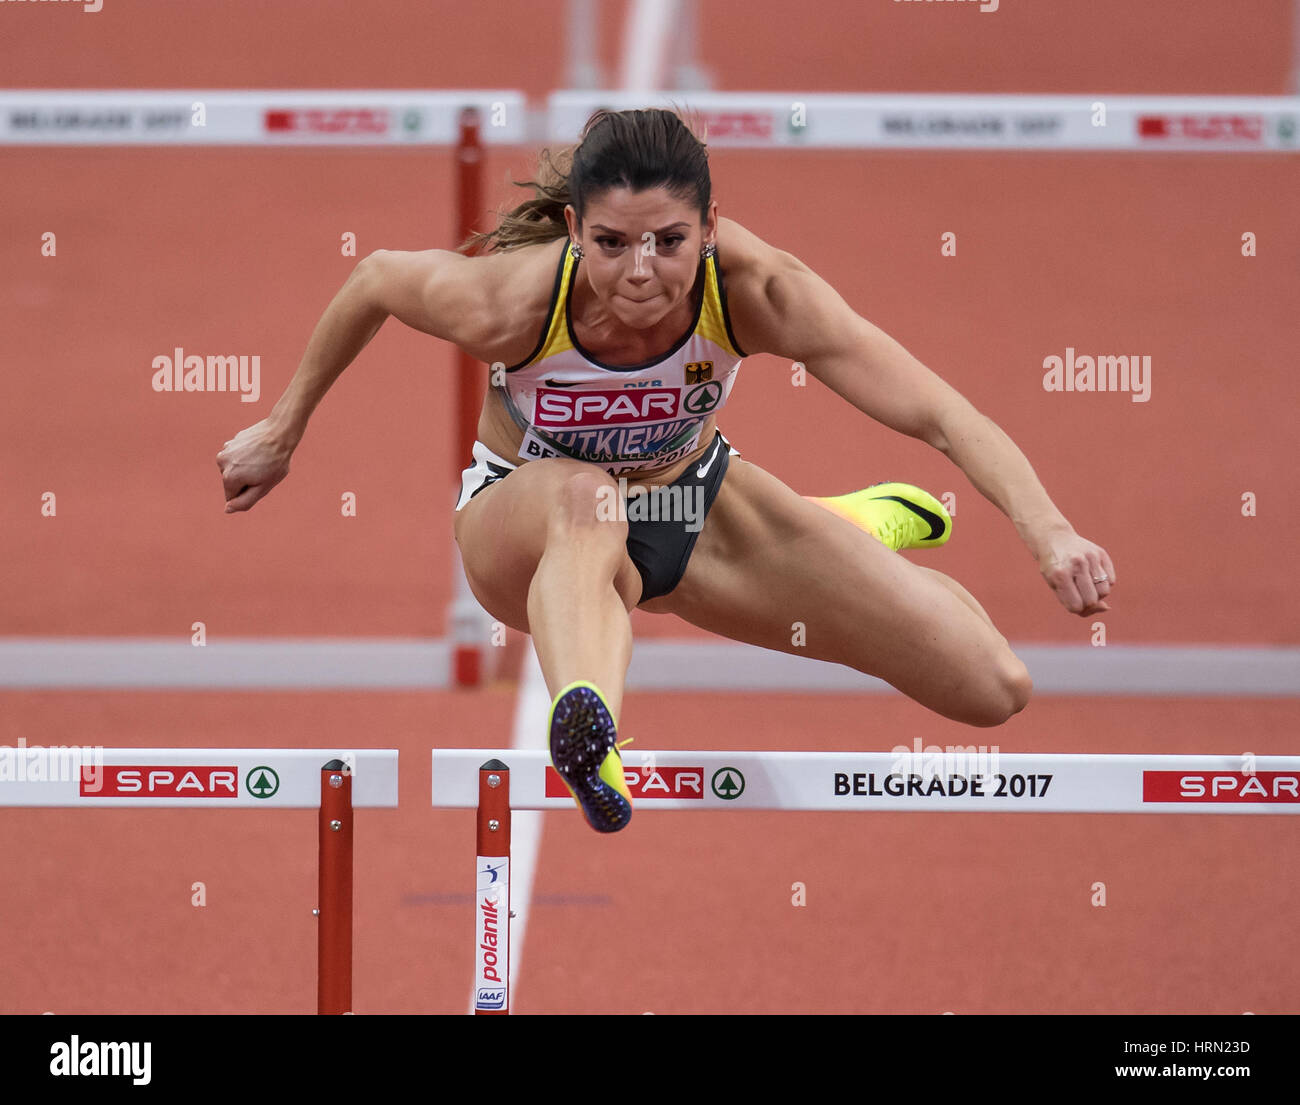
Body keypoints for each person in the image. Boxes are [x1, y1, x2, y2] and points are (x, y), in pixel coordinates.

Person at [217, 108, 1115, 835]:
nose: (641, 274)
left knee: (992, 687)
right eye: (611, 244)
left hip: (693, 499)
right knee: (588, 497)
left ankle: (839, 525)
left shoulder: (758, 290)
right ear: (573, 229)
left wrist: (1049, 530)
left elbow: (940, 413)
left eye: (669, 244)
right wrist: (281, 428)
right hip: (528, 526)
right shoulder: (514, 302)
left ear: (710, 229)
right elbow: (373, 277)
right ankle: (589, 735)